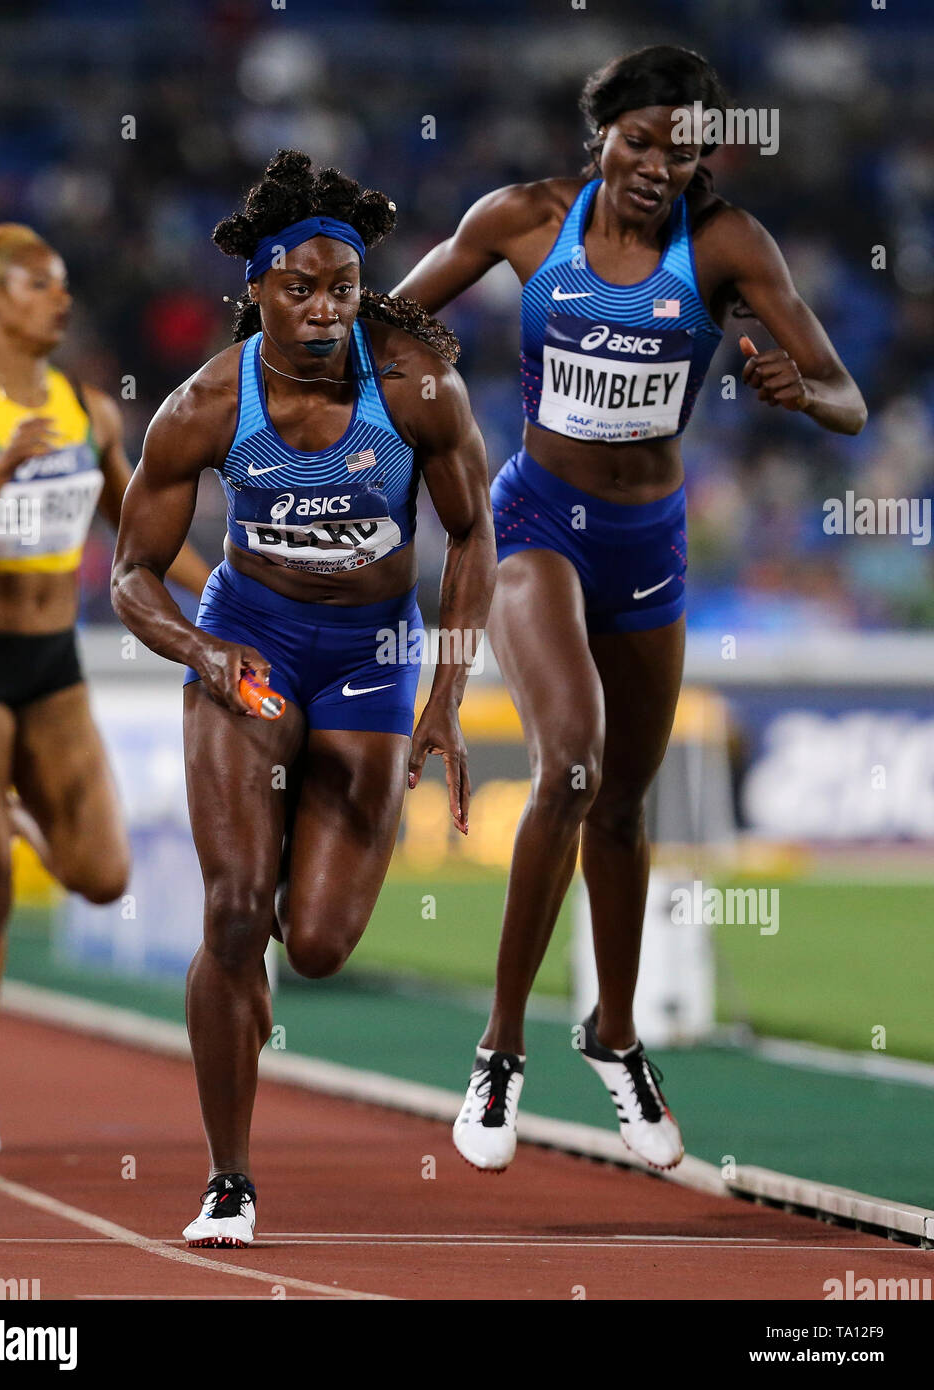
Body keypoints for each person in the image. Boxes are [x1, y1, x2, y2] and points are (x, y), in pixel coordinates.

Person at [394, 45, 867, 1174]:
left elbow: (847, 400)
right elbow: (389, 316)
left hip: (651, 548)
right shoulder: (523, 220)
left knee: (623, 804)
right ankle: (499, 1048)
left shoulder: (728, 245)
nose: (660, 165)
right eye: (641, 141)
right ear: (601, 133)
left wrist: (804, 393)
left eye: (683, 147)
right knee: (568, 762)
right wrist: (406, 393)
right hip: (536, 526)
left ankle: (614, 1033)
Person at [110, 150, 495, 1247]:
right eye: (301, 289)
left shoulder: (417, 385)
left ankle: (275, 917)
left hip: (375, 651)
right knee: (235, 912)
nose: (325, 312)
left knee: (319, 945)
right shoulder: (200, 407)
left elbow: (474, 533)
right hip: (252, 637)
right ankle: (230, 1179)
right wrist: (199, 649)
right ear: (259, 290)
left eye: (342, 289)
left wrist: (447, 691)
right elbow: (131, 575)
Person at [0, 223, 211, 1155]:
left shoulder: (92, 411)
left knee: (101, 876)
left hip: (51, 665)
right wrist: (3, 467)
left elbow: (140, 527)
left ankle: (10, 809)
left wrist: (230, 599)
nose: (65, 299)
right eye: (44, 286)